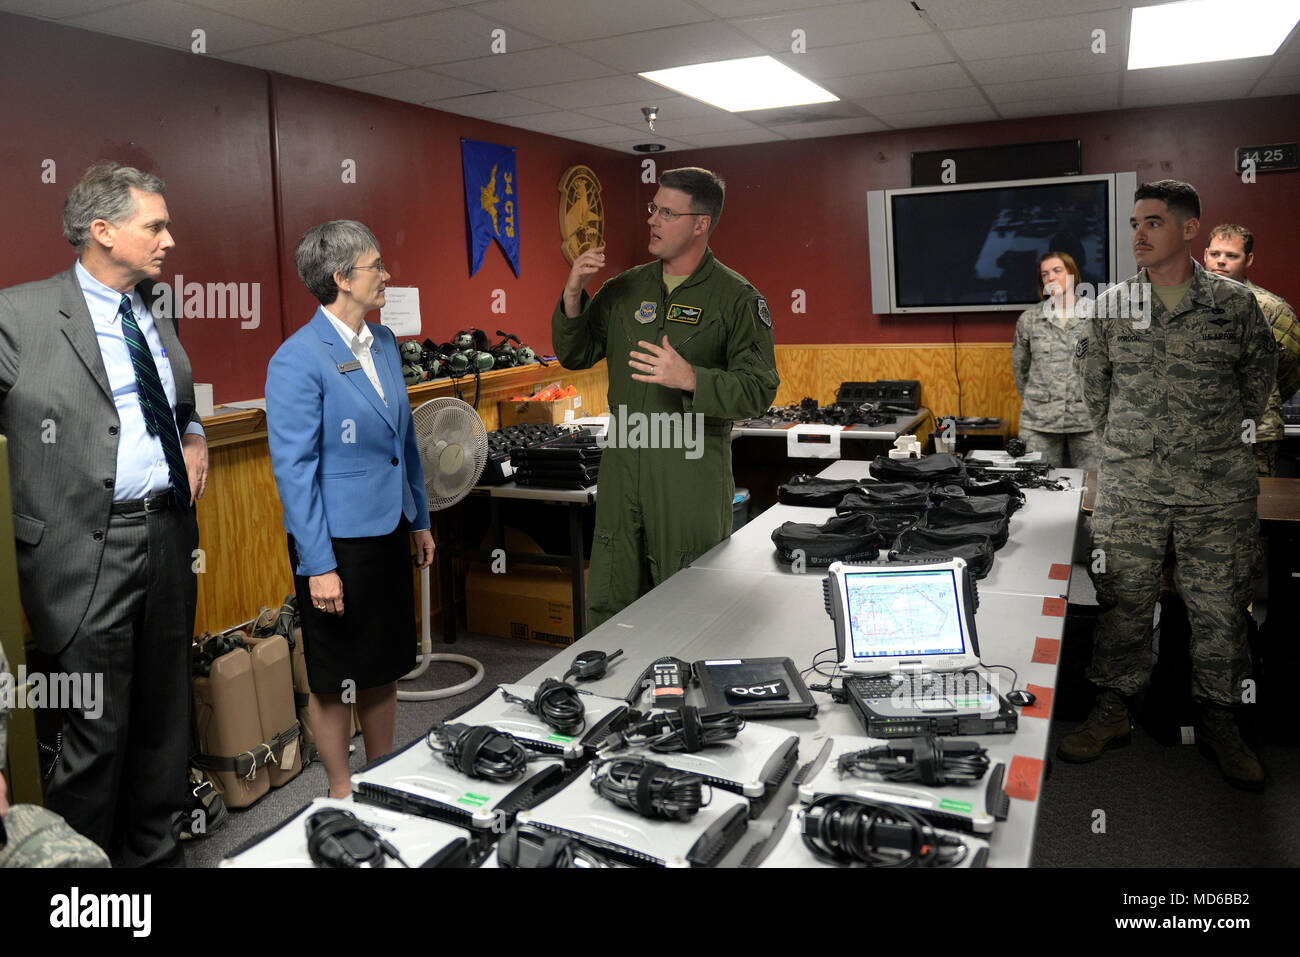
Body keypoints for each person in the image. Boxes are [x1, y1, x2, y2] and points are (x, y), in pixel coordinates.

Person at [0, 161, 207, 865]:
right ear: (102, 230)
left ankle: (156, 857)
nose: (168, 240)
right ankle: (79, 878)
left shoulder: (158, 305)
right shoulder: (20, 314)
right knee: (93, 726)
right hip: (80, 549)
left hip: (169, 533)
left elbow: (177, 401)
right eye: (155, 225)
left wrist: (198, 434)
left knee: (165, 716)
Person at [1066, 180, 1277, 790]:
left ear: (1189, 230)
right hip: (1132, 486)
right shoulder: (1108, 305)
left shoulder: (1236, 306)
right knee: (1122, 602)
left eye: (1153, 222)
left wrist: (1204, 441)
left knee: (1219, 610)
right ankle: (1113, 711)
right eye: (1134, 222)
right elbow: (1094, 389)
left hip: (1217, 489)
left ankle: (1220, 720)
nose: (1137, 233)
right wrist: (1133, 445)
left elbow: (1258, 384)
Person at [553, 167, 779, 629]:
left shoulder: (736, 299)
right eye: (653, 208)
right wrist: (574, 293)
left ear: (701, 224)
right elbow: (575, 353)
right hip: (623, 466)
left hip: (689, 469)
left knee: (688, 598)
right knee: (612, 591)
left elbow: (759, 391)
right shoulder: (623, 289)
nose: (653, 220)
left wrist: (693, 378)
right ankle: (610, 696)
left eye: (668, 212)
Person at [266, 221, 434, 800]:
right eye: (375, 266)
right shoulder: (297, 358)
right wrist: (318, 565)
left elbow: (403, 441)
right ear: (341, 278)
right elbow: (295, 472)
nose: (386, 276)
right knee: (337, 677)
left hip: (388, 529)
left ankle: (384, 777)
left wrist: (419, 517)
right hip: (334, 545)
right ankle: (342, 788)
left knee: (383, 665)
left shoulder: (384, 343)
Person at [1203, 223, 1300, 476]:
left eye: (1231, 256)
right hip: (1196, 433)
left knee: (1254, 508)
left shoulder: (1270, 308)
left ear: (1248, 259)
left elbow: (1291, 368)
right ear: (1204, 255)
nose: (1221, 262)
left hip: (1252, 434)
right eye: (1215, 254)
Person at [1012, 251, 1098, 469]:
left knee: (1092, 492)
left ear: (1072, 274)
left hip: (1088, 422)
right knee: (1036, 488)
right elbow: (1021, 370)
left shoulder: (1097, 314)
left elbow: (1113, 367)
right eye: (1044, 274)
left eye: (1057, 271)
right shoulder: (1030, 320)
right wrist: (1043, 401)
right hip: (1039, 424)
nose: (1050, 278)